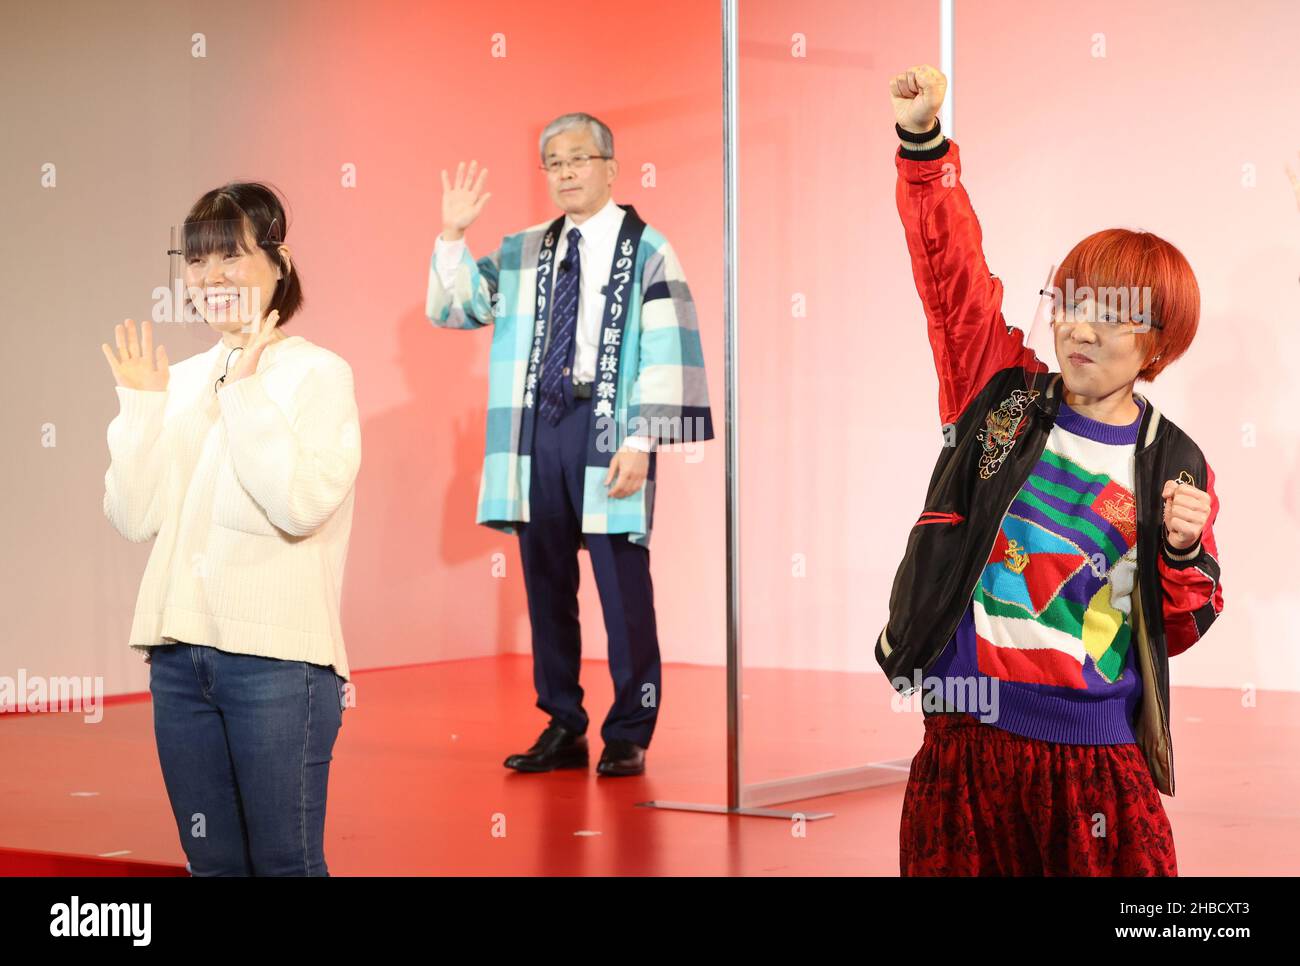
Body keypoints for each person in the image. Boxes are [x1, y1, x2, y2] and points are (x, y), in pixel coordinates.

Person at [876, 66, 1224, 875]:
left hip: (1094, 755)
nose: (1080, 331)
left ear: (1157, 345)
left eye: (1112, 319)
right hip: (967, 731)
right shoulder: (999, 394)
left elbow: (1174, 627)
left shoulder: (1175, 464)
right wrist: (924, 147)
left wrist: (1180, 554)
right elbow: (951, 281)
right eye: (1070, 304)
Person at [426, 113, 714, 777]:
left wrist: (642, 438)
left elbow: (668, 345)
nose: (566, 173)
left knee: (622, 579)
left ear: (611, 167)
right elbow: (459, 307)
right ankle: (563, 720)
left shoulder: (647, 248)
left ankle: (630, 728)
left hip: (609, 417)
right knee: (546, 578)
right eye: (553, 163)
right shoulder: (525, 249)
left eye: (579, 160)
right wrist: (452, 235)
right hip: (537, 424)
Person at [101, 182, 361, 875]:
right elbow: (133, 518)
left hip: (278, 665)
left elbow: (299, 504)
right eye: (196, 261)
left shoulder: (318, 374)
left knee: (285, 865)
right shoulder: (179, 380)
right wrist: (139, 411)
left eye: (230, 256)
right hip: (179, 661)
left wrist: (246, 393)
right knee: (211, 866)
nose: (210, 277)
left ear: (278, 263)